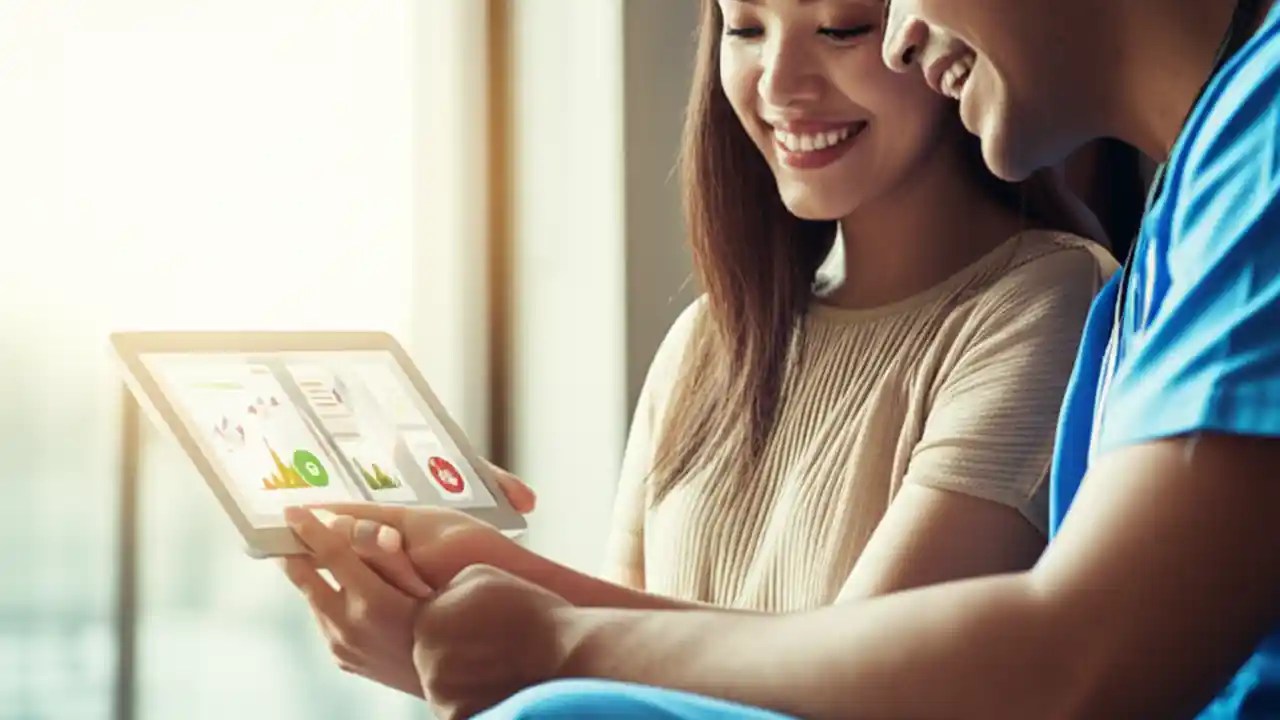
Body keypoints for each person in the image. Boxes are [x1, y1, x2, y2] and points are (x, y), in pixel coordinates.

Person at [279, 0, 1148, 715]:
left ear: (935, 32)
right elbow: (633, 677)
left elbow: (872, 668)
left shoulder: (1047, 298)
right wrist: (435, 621)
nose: (780, 85)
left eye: (840, 29)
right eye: (745, 27)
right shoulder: (707, 341)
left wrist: (506, 589)